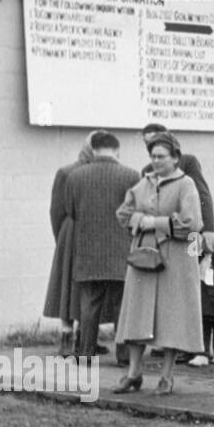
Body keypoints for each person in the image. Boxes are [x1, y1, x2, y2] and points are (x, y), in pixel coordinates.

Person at [113, 132, 205, 394]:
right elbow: (124, 212)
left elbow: (193, 224)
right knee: (137, 315)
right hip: (143, 257)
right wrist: (138, 220)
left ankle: (166, 375)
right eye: (152, 156)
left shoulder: (186, 184)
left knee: (171, 317)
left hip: (174, 259)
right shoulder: (144, 183)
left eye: (161, 156)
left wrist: (158, 223)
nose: (156, 161)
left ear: (175, 158)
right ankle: (133, 373)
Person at [63, 131, 140, 360]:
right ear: (117, 150)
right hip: (121, 251)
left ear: (93, 149)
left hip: (87, 253)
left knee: (88, 306)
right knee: (122, 307)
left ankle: (85, 353)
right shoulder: (131, 175)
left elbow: (71, 211)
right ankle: (124, 355)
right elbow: (136, 211)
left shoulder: (75, 176)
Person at [44, 131, 101, 355]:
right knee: (68, 286)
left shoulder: (100, 172)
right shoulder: (66, 172)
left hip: (92, 235)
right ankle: (67, 336)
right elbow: (56, 210)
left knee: (86, 288)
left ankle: (84, 338)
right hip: (71, 234)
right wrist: (62, 239)